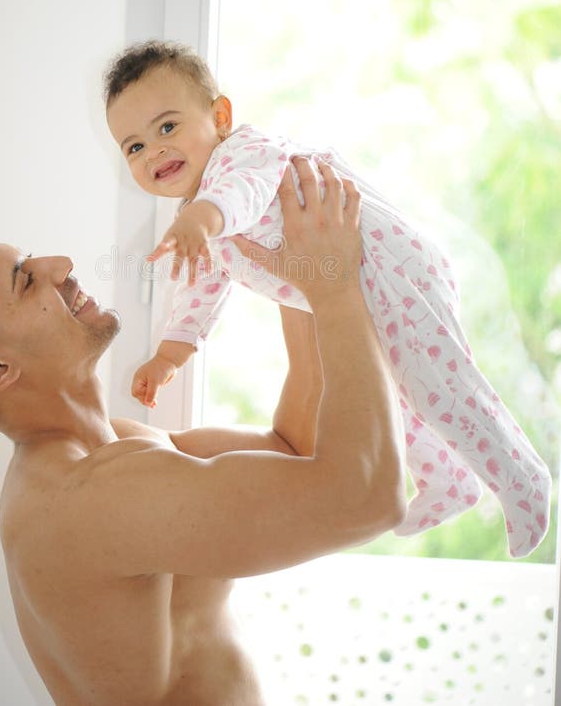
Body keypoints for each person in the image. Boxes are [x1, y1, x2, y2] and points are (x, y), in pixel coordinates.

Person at [0, 158, 406, 706]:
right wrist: (336, 291)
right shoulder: (87, 495)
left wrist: (304, 281)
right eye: (25, 279)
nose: (61, 265)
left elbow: (294, 450)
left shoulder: (121, 445)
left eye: (30, 256)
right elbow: (367, 497)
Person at [105, 39, 552, 559]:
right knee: (398, 396)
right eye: (134, 147)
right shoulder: (200, 213)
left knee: (439, 387)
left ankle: (523, 479)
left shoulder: (243, 156)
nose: (154, 150)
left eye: (167, 127)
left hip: (392, 271)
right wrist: (170, 354)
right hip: (352, 288)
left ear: (220, 116)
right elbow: (202, 288)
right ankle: (448, 481)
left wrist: (202, 219)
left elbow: (243, 193)